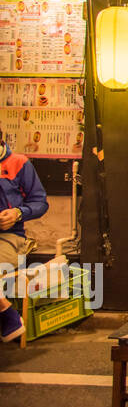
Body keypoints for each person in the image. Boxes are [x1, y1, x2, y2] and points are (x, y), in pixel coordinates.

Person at [0, 125, 49, 342]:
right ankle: (6, 312)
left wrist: (18, 213)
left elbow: (40, 203)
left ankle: (8, 315)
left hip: (9, 237)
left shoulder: (19, 163)